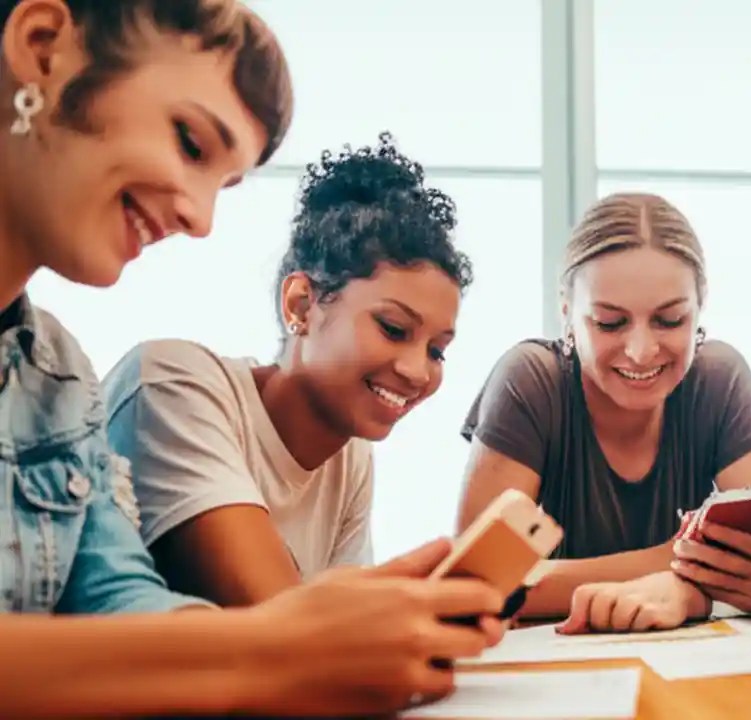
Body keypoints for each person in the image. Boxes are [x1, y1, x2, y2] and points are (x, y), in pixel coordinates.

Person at [0, 1, 501, 716]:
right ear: (44, 47)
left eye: (225, 187)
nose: (200, 219)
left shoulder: (56, 377)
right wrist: (275, 645)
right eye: (191, 143)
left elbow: (113, 598)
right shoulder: (170, 377)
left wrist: (331, 630)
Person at [102, 133, 472, 607]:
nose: (418, 372)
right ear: (301, 304)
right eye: (394, 328)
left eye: (438, 351)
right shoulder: (171, 384)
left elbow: (334, 632)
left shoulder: (350, 457)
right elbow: (279, 617)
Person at [460, 192, 751, 634]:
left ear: (700, 308)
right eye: (609, 323)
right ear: (566, 313)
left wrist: (694, 593)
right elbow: (476, 586)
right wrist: (675, 565)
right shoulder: (531, 382)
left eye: (670, 321)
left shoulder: (719, 379)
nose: (641, 352)